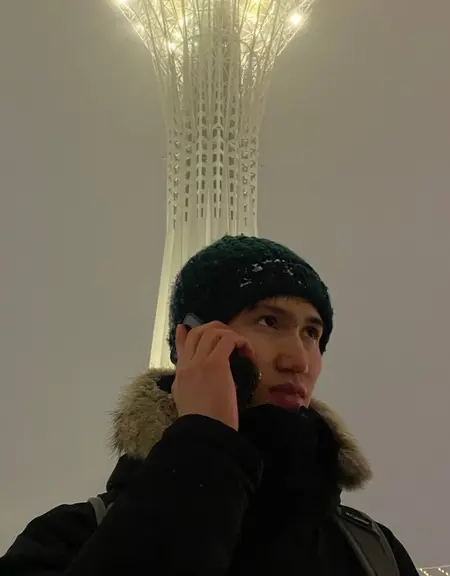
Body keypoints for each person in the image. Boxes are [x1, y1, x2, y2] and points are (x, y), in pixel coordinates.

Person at [1, 235, 418, 575]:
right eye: (269, 321)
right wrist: (204, 443)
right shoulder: (69, 538)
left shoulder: (374, 553)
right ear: (192, 339)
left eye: (312, 333)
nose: (299, 360)